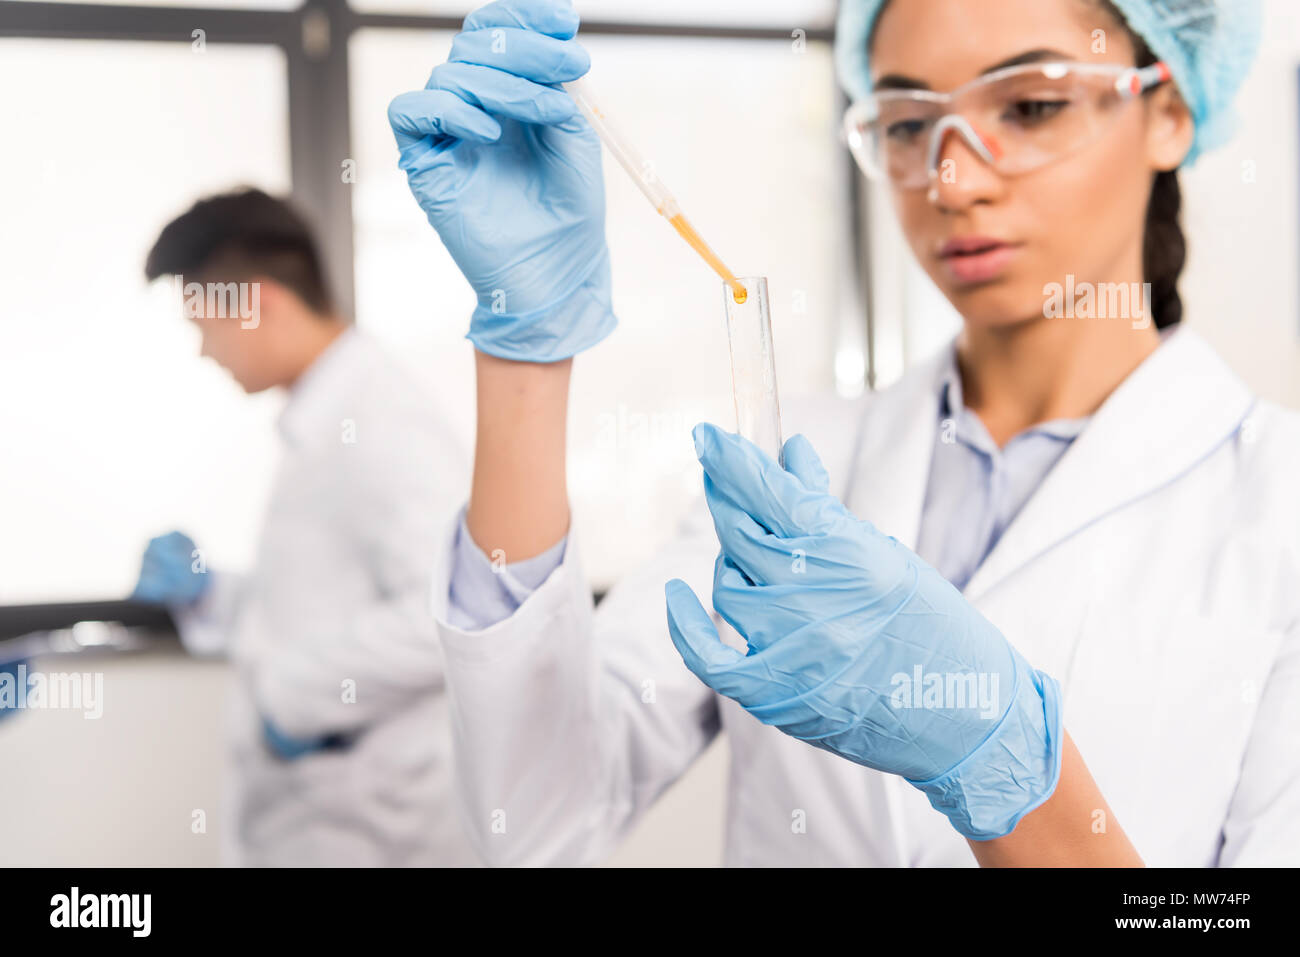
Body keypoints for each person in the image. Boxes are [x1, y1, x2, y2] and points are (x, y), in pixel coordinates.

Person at [387, 0, 1299, 865]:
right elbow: (535, 825)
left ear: (1169, 111)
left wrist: (1013, 768)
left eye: (1029, 105)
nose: (953, 178)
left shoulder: (1278, 504)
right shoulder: (794, 458)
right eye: (907, 124)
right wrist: (527, 341)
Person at [132, 188, 477, 866]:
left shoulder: (381, 421)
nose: (204, 351)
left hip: (369, 831)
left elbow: (455, 610)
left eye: (204, 324)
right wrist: (214, 594)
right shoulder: (326, 415)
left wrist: (291, 698)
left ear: (256, 302)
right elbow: (325, 600)